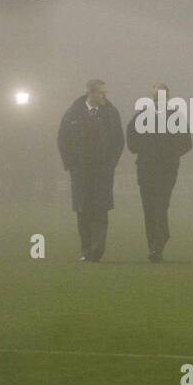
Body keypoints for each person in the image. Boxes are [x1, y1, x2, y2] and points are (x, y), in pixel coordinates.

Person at [57, 79, 124, 262]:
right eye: (102, 92)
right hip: (80, 172)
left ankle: (96, 250)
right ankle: (86, 250)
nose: (105, 96)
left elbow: (119, 140)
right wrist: (70, 164)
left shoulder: (111, 113)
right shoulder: (72, 113)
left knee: (101, 210)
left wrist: (111, 163)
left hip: (103, 171)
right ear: (91, 93)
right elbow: (63, 140)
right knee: (83, 211)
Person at [126, 83, 192, 263]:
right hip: (146, 169)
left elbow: (186, 143)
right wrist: (143, 150)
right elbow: (131, 138)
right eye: (155, 98)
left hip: (166, 171)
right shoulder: (141, 117)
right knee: (149, 209)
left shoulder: (176, 117)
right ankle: (154, 245)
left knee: (160, 207)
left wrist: (169, 154)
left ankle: (157, 244)